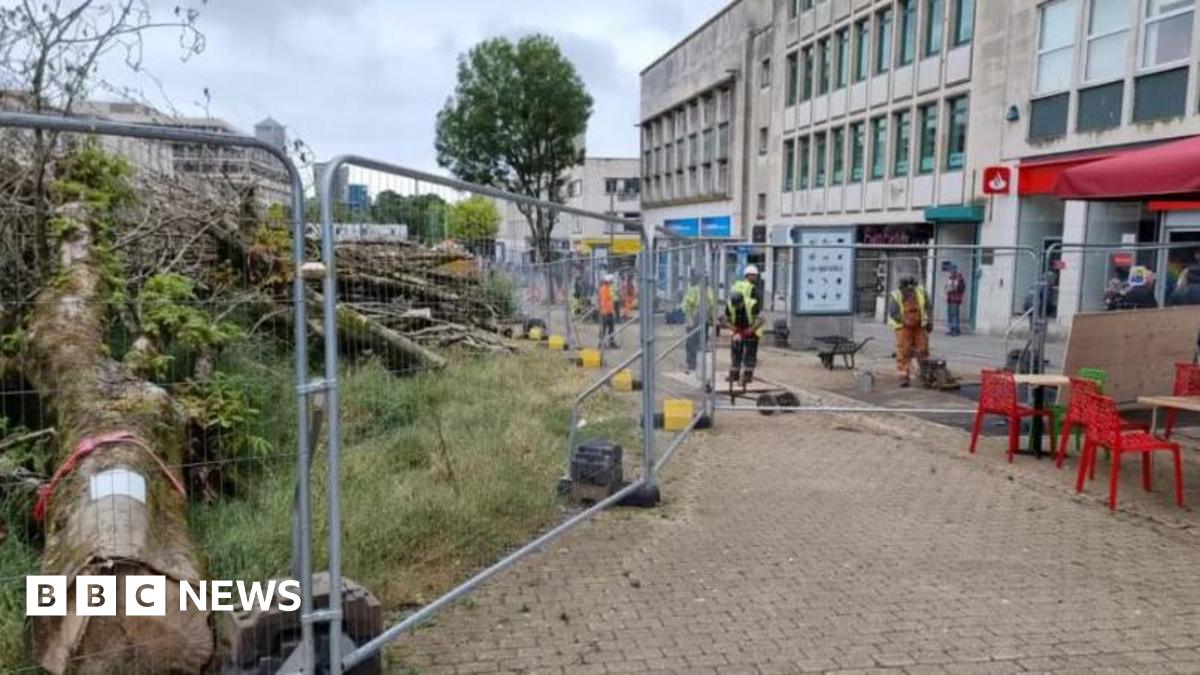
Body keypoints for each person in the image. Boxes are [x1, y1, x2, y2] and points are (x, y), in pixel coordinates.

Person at [888, 276, 932, 388]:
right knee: (904, 351)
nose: (910, 290)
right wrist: (904, 320)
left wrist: (929, 322)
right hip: (903, 327)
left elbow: (928, 307)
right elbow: (893, 312)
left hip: (919, 325)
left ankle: (925, 374)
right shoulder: (896, 294)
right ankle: (903, 376)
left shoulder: (921, 292)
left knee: (922, 349)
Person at [726, 265, 765, 385]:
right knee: (736, 349)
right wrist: (736, 331)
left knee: (750, 351)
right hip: (739, 326)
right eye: (753, 275)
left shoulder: (751, 305)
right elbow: (726, 320)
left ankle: (747, 375)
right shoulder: (731, 304)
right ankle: (735, 373)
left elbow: (760, 319)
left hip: (752, 326)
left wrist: (749, 331)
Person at [683, 270, 717, 373]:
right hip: (694, 321)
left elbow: (712, 307)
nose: (706, 281)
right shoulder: (694, 290)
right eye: (705, 279)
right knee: (691, 343)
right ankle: (691, 363)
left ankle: (700, 364)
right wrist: (689, 319)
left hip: (705, 321)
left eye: (707, 279)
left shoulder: (710, 291)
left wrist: (713, 319)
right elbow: (686, 305)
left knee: (702, 342)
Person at [945, 263, 966, 337]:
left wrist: (954, 287)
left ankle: (954, 329)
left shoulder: (959, 277)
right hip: (950, 298)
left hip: (955, 299)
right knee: (951, 314)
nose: (950, 271)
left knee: (954, 314)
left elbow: (961, 288)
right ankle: (953, 329)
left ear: (954, 269)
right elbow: (947, 286)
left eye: (951, 269)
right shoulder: (950, 277)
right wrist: (947, 287)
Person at [598, 274, 618, 348]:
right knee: (604, 328)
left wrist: (612, 311)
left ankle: (611, 342)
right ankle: (601, 343)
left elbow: (610, 301)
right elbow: (603, 302)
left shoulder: (608, 289)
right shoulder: (604, 289)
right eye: (611, 282)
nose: (612, 283)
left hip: (609, 312)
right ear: (608, 281)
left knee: (611, 328)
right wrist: (604, 312)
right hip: (605, 312)